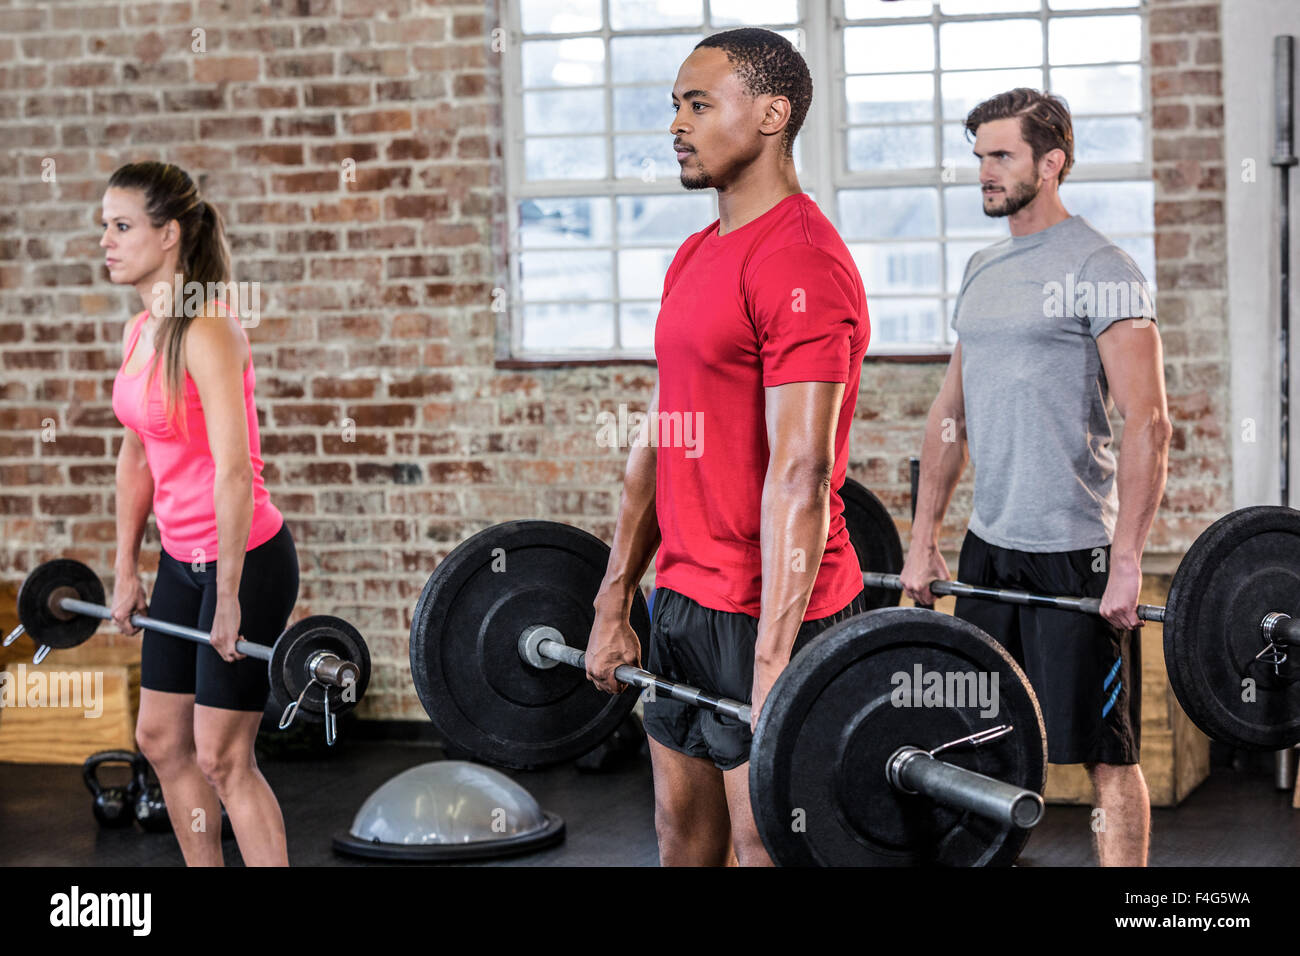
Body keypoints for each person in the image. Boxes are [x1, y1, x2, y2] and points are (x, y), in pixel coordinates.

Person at [583, 28, 870, 866]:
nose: (677, 123)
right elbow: (659, 438)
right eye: (675, 105)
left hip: (776, 609)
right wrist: (615, 599)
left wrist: (776, 662)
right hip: (684, 600)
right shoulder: (693, 257)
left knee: (764, 845)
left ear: (772, 114)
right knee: (685, 839)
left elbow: (803, 472)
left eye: (699, 104)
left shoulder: (804, 264)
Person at [899, 89, 1170, 867]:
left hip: (1075, 555)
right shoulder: (983, 267)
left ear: (1051, 164)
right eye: (979, 155)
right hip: (990, 552)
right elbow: (949, 412)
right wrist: (924, 542)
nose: (983, 172)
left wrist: (1124, 564)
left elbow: (1149, 423)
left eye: (1001, 156)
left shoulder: (1103, 267)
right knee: (972, 745)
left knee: (1107, 756)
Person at [103, 161, 298, 866]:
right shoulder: (138, 334)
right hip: (181, 561)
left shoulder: (211, 331)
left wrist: (227, 593)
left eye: (122, 226)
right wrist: (125, 569)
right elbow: (135, 461)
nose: (108, 241)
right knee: (160, 738)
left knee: (223, 756)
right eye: (106, 226)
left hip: (243, 560)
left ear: (170, 234)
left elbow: (236, 470)